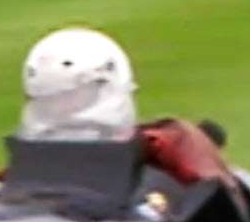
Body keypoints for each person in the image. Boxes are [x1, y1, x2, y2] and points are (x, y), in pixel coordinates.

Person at [17, 26, 232, 186]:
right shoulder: (17, 180)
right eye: (51, 101)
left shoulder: (166, 166)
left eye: (79, 97)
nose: (65, 110)